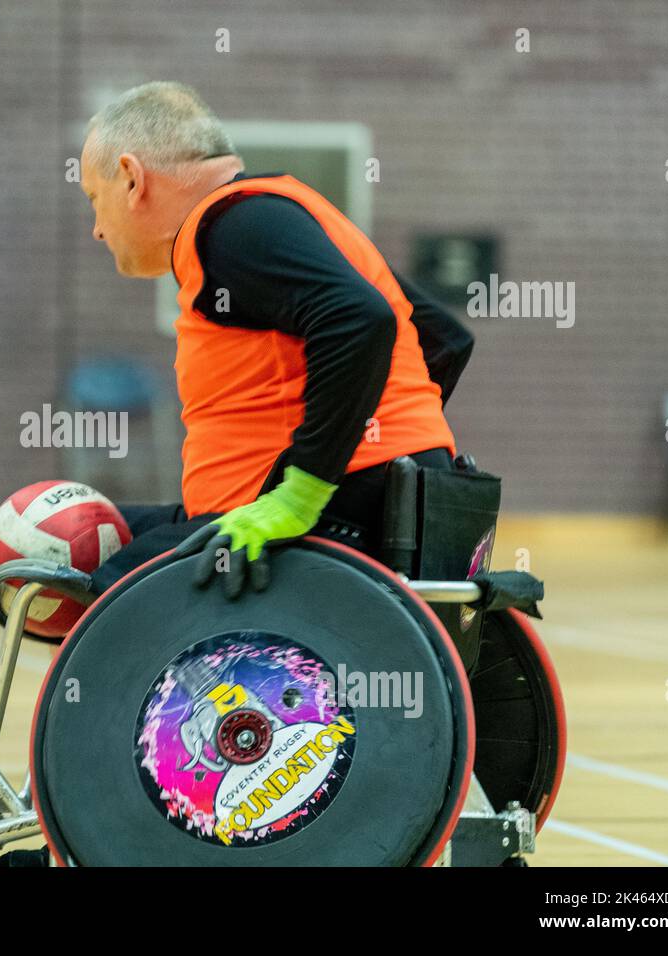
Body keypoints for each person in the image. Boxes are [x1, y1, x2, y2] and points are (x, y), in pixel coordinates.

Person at [78, 82, 475, 599]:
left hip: (335, 515)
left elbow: (360, 319)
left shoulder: (228, 225)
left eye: (93, 198)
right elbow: (442, 339)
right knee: (82, 525)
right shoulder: (275, 213)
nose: (96, 229)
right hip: (392, 497)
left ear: (132, 178)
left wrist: (302, 494)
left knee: (95, 589)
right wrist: (375, 440)